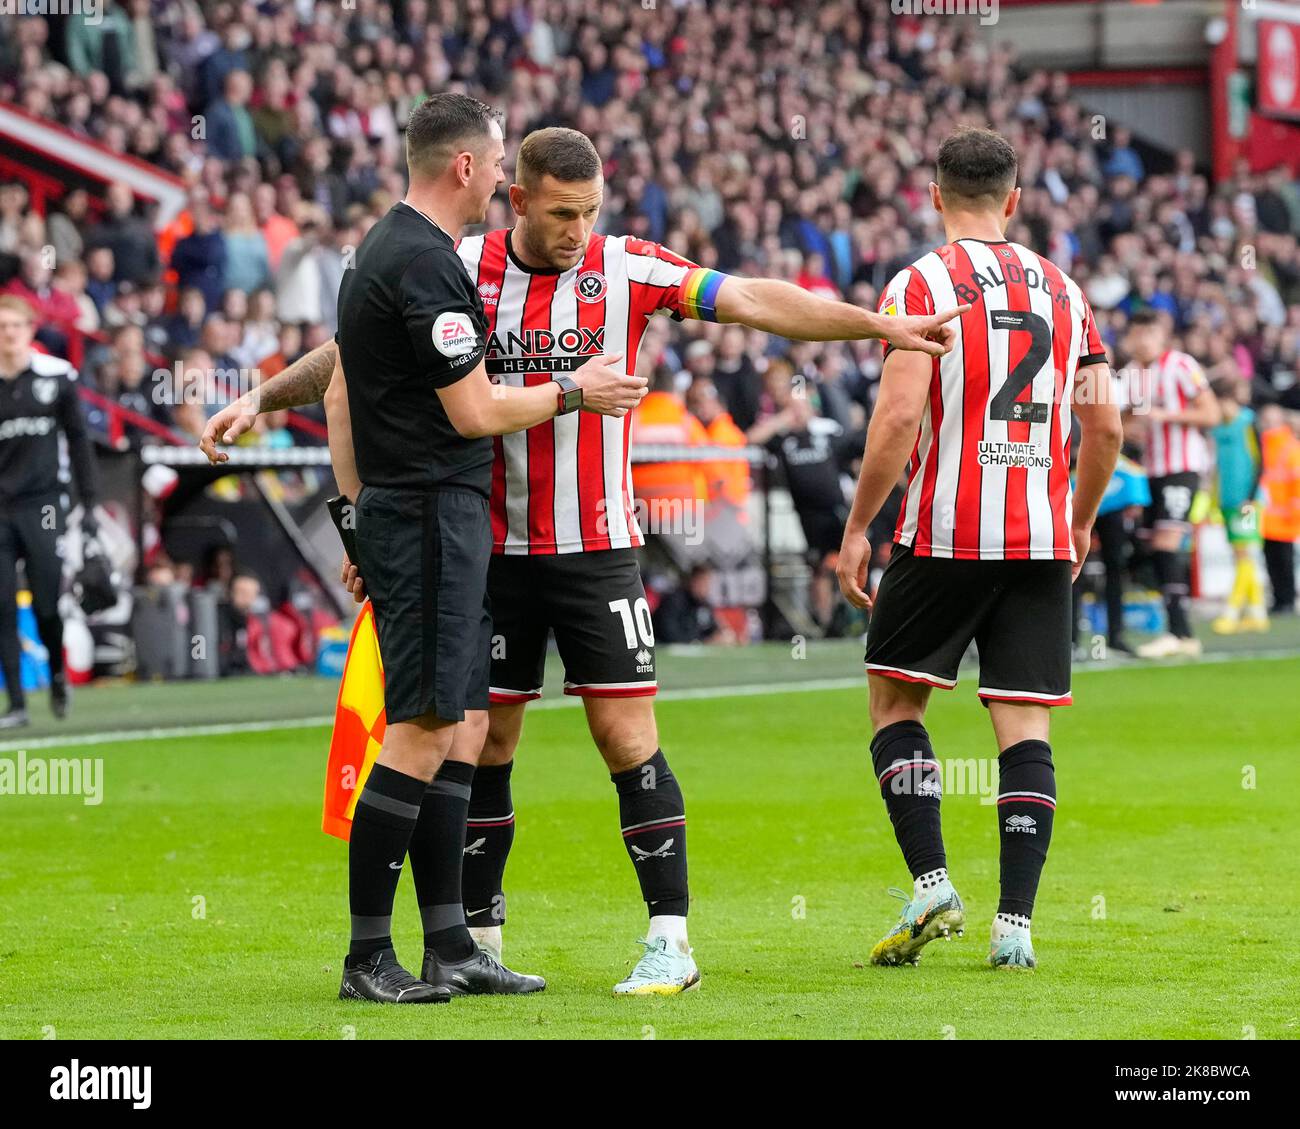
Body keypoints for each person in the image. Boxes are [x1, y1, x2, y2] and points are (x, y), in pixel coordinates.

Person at [201, 124, 963, 996]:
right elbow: (354, 350)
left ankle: (670, 940)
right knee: (479, 743)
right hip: (487, 549)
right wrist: (259, 395)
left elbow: (753, 298)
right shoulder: (466, 265)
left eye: (590, 211)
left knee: (626, 735)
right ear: (516, 199)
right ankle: (472, 939)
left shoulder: (630, 266)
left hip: (597, 546)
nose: (577, 229)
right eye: (562, 213)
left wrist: (879, 326)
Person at [323, 94, 644, 1004]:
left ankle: (450, 942)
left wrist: (356, 515)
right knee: (423, 729)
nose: (506, 177)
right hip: (427, 512)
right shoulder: (423, 261)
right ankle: (365, 957)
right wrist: (574, 390)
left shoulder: (396, 252)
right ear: (465, 166)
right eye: (500, 162)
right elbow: (473, 411)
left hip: (441, 516)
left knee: (459, 726)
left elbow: (346, 390)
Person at [835, 129, 1123, 971]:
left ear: (934, 195)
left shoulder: (921, 282)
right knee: (1023, 724)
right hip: (1038, 533)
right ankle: (1016, 928)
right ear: (1014, 200)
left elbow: (894, 420)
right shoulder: (1068, 292)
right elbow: (1104, 420)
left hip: (943, 529)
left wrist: (857, 528)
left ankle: (931, 882)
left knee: (896, 704)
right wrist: (1077, 517)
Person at [0, 295, 101, 728]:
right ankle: (17, 702)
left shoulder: (56, 377)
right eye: (1, 326)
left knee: (45, 603)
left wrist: (90, 504)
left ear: (30, 330)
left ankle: (58, 675)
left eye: (15, 326)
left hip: (42, 505)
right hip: (0, 509)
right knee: (2, 605)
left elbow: (79, 441)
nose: (8, 334)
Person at [1121, 309, 1221, 657]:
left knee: (1166, 543)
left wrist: (1167, 415)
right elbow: (1121, 419)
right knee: (1149, 546)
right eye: (1135, 334)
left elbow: (1212, 414)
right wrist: (1128, 425)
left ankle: (1179, 633)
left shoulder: (1181, 365)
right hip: (1148, 471)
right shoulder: (1129, 375)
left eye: (1147, 334)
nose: (1141, 341)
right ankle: (1177, 631)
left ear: (1160, 336)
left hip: (1183, 467)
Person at [1208, 378, 1267, 633]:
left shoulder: (1247, 421)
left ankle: (1231, 612)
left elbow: (1260, 460)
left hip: (1246, 502)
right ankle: (1257, 612)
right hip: (1227, 500)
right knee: (1241, 556)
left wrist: (1250, 497)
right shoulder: (1216, 429)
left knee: (1244, 555)